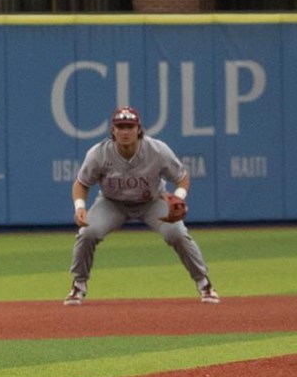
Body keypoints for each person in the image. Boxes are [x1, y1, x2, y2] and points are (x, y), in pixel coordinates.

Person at [65, 105, 219, 305]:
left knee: (176, 233)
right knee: (87, 233)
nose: (125, 131)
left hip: (152, 201)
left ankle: (204, 283)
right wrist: (79, 207)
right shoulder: (99, 153)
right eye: (120, 127)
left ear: (139, 129)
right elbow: (81, 183)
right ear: (113, 130)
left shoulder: (157, 150)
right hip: (112, 203)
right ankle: (78, 285)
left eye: (130, 126)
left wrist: (179, 198)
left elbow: (181, 178)